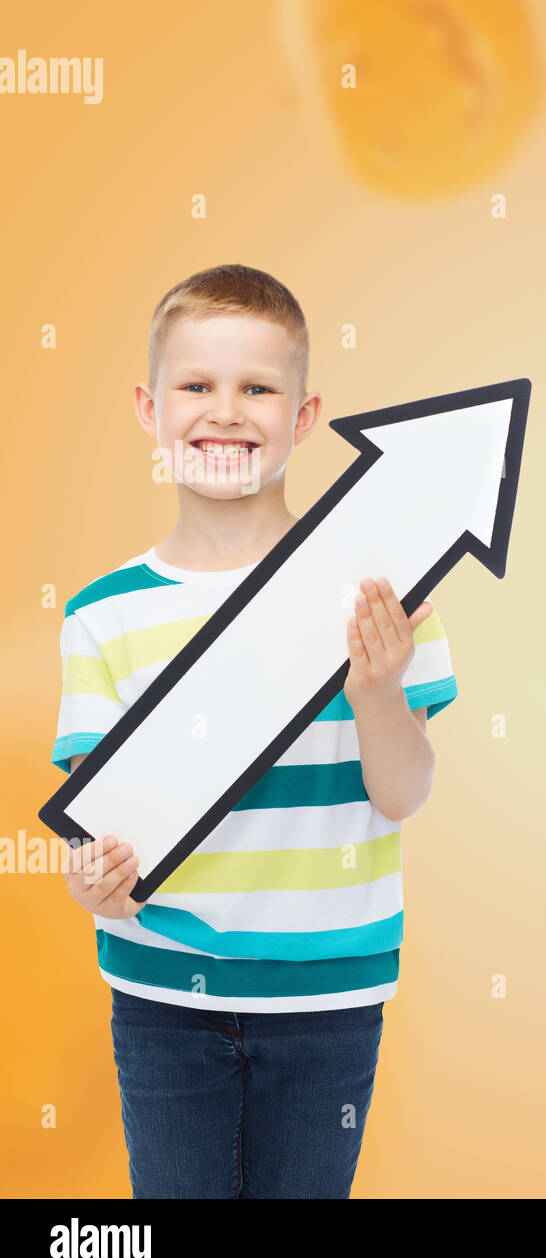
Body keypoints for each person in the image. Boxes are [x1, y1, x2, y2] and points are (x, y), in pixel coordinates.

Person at [50, 263, 457, 1197]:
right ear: (150, 410)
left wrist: (379, 690)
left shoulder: (381, 590)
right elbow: (95, 838)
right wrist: (92, 881)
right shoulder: (102, 616)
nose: (225, 412)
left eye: (257, 389)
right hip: (163, 999)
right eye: (197, 386)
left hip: (330, 996)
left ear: (305, 416)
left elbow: (403, 794)